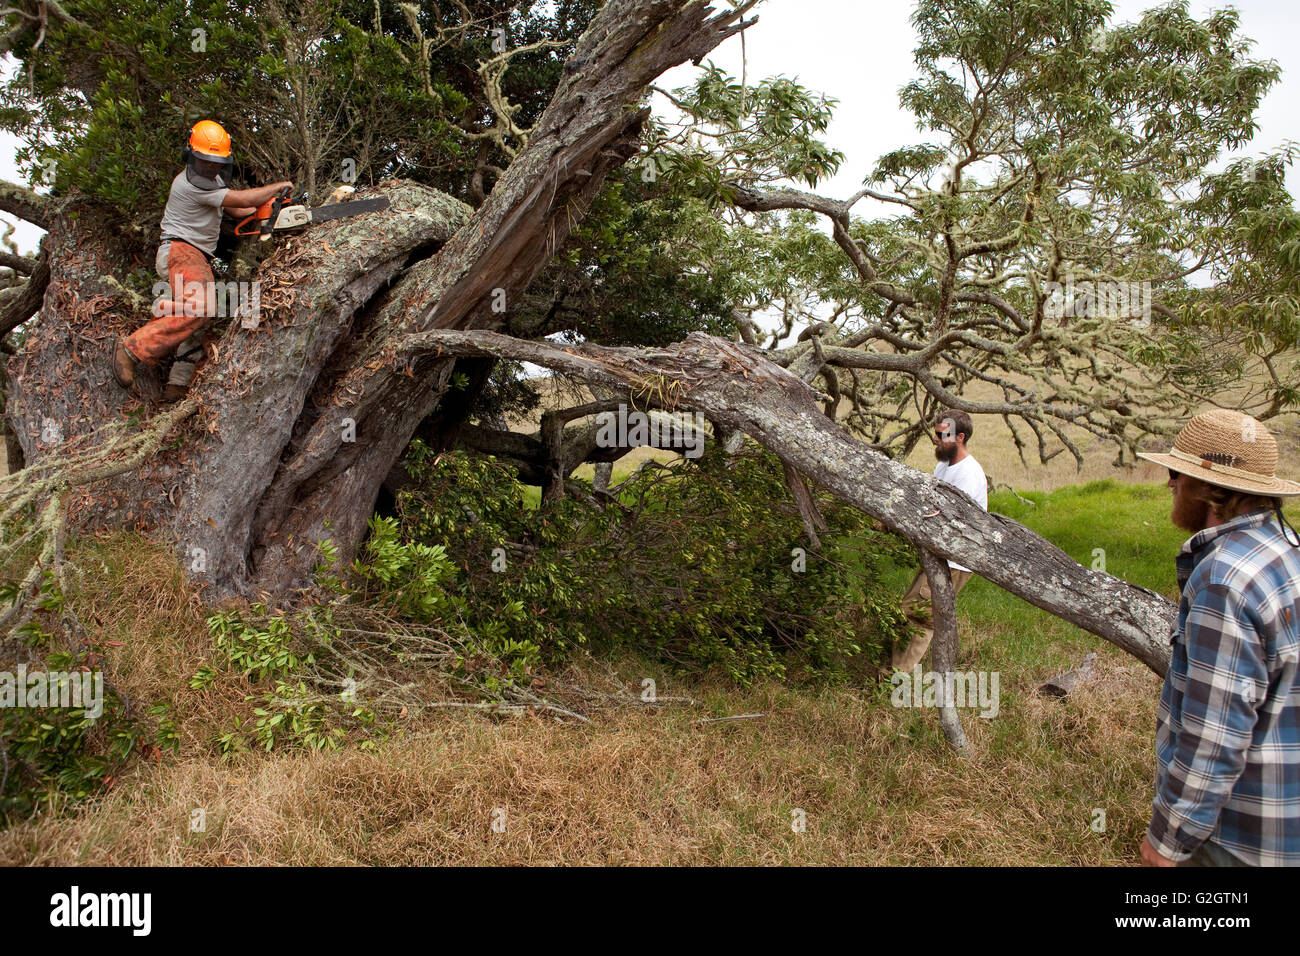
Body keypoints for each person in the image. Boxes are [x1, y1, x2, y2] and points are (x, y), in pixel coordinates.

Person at [1137, 408, 1300, 867]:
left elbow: (1215, 735)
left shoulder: (1223, 579)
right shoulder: (1286, 553)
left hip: (1237, 840)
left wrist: (1169, 841)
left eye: (1178, 473)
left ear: (1212, 490)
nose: (1170, 483)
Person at [111, 120, 292, 401]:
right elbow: (241, 197)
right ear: (192, 156)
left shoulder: (213, 183)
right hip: (182, 251)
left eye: (215, 162)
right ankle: (133, 348)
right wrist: (276, 188)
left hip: (197, 256)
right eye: (204, 161)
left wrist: (265, 208)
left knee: (196, 318)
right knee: (201, 307)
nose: (209, 167)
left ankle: (177, 384)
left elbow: (237, 207)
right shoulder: (187, 185)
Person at [892, 409, 988, 672]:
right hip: (939, 553)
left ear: (960, 437)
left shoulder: (969, 474)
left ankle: (892, 678)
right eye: (934, 433)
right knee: (913, 610)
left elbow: (952, 522)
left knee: (918, 616)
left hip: (956, 560)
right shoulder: (944, 465)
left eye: (940, 435)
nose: (934, 439)